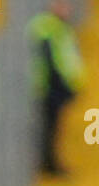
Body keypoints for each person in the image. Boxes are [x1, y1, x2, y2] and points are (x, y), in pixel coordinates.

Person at [28, 1, 85, 176]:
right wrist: (59, 82)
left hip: (57, 85)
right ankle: (49, 164)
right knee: (49, 127)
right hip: (49, 86)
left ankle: (51, 163)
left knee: (55, 127)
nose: (67, 9)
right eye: (62, 5)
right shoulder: (47, 26)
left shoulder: (60, 28)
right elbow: (50, 58)